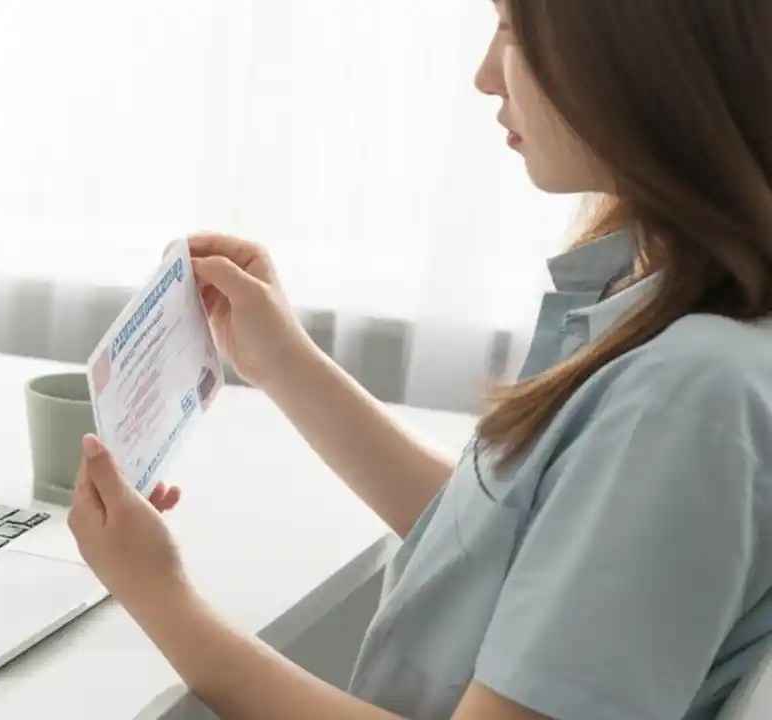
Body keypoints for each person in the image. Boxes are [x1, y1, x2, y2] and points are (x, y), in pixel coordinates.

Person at [67, 1, 772, 718]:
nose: (485, 76)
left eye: (514, 33)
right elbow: (504, 537)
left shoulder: (686, 399)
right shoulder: (667, 306)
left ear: (637, 56)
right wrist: (282, 361)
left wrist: (161, 597)